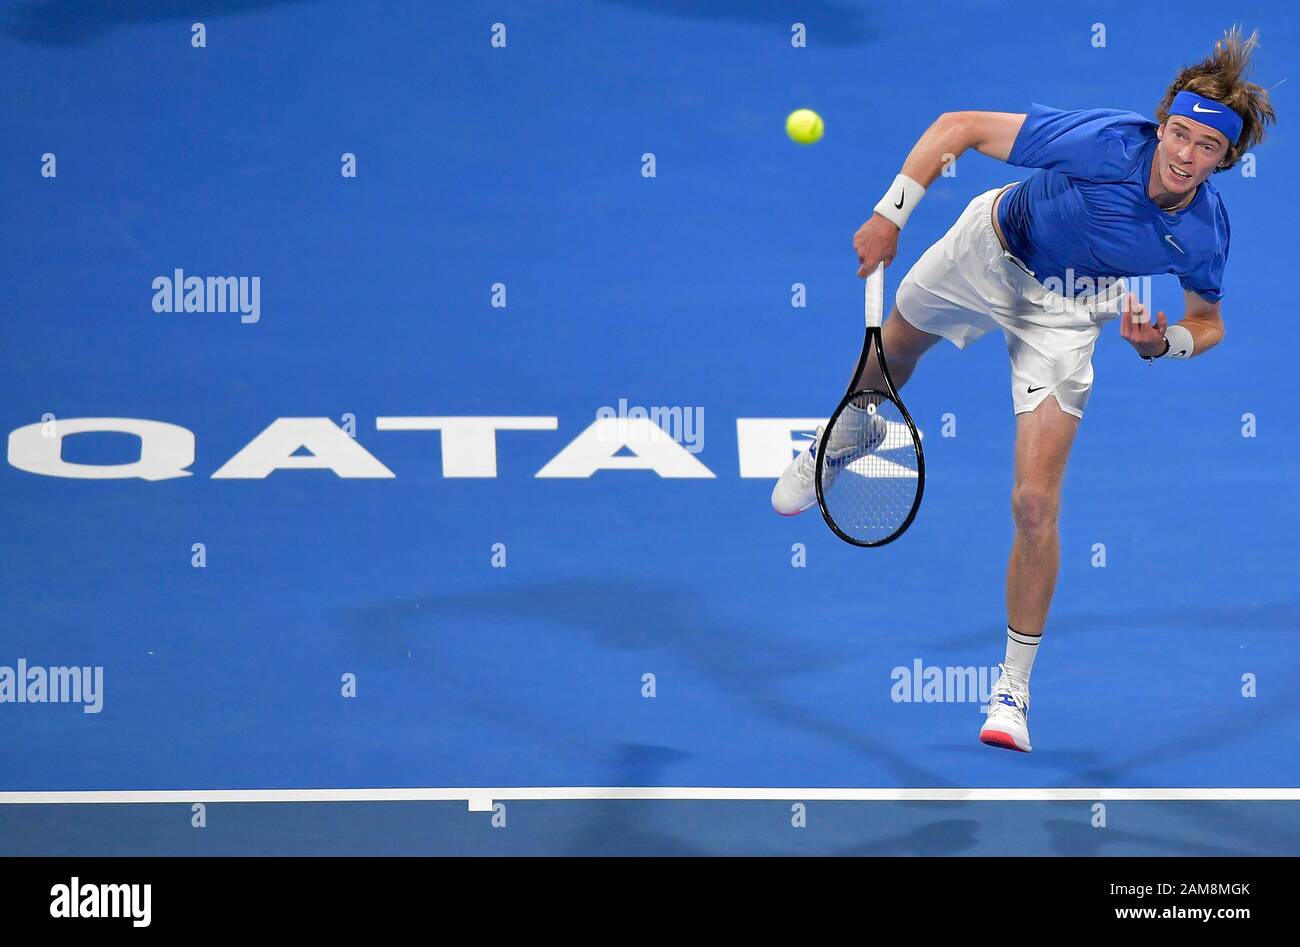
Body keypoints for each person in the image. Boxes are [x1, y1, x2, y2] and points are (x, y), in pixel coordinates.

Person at [771, 27, 1276, 752]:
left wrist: (1161, 343)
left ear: (1226, 160)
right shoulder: (1105, 143)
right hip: (987, 251)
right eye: (1179, 133)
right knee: (897, 353)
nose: (1185, 154)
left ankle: (1012, 689)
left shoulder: (1201, 232)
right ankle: (858, 424)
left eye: (1207, 148)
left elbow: (1209, 322)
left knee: (1035, 502)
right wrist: (891, 213)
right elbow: (961, 128)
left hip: (1069, 312)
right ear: (1161, 124)